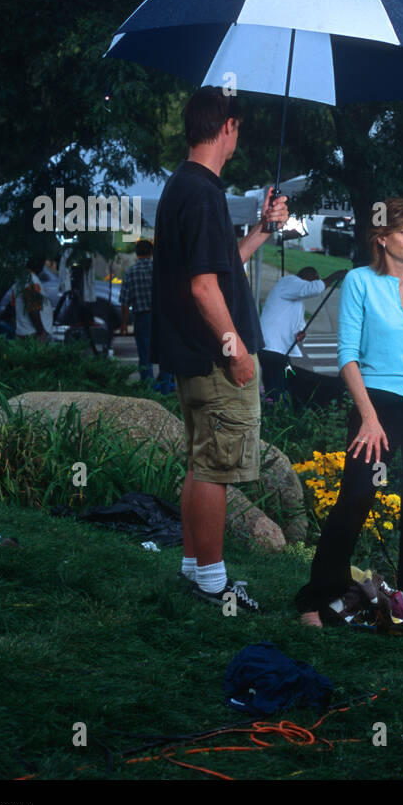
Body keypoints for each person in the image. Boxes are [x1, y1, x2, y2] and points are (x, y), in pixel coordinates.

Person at [294, 197, 403, 636]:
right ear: (381, 237)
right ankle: (318, 598)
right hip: (379, 405)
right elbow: (347, 357)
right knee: (356, 496)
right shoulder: (359, 283)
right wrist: (369, 419)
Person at [151, 86, 289, 613]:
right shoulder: (204, 192)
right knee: (215, 469)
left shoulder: (181, 187)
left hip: (190, 356)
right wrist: (236, 351)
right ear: (228, 126)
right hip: (214, 360)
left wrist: (260, 232)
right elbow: (204, 287)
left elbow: (217, 264)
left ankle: (195, 568)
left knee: (200, 462)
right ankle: (213, 584)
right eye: (239, 128)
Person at [258, 265, 348, 403]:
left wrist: (300, 333)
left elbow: (299, 325)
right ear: (306, 276)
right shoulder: (288, 282)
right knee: (277, 387)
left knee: (286, 378)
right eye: (315, 279)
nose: (316, 281)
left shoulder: (296, 300)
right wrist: (334, 276)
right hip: (270, 348)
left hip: (279, 351)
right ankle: (276, 413)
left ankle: (279, 410)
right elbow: (313, 289)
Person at [120, 238, 155, 383]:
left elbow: (125, 301)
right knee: (165, 353)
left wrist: (123, 324)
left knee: (144, 355)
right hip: (160, 317)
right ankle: (166, 389)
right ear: (151, 253)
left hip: (141, 318)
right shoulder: (158, 269)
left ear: (136, 253)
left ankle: (148, 389)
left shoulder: (130, 272)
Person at [14, 256, 55, 343]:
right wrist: (41, 332)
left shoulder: (23, 279)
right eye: (42, 263)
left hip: (27, 331)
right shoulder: (30, 280)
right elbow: (33, 309)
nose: (42, 266)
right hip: (32, 334)